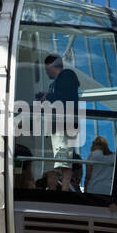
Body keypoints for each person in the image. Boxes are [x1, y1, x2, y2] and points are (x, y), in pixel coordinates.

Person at [35, 54, 81, 190]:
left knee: (63, 161)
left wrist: (48, 96)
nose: (46, 71)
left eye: (46, 68)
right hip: (58, 126)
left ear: (52, 67)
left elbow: (67, 98)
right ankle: (57, 188)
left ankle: (64, 190)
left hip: (64, 125)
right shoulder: (54, 84)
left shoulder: (67, 75)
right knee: (57, 161)